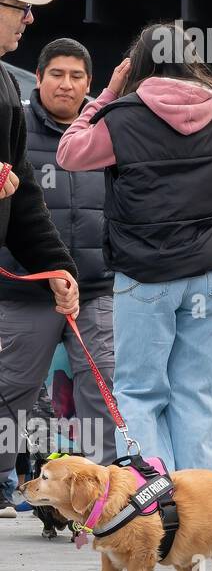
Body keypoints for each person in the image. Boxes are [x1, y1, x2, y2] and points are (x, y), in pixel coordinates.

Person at [57, 21, 212, 472]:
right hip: (211, 276)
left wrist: (105, 96)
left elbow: (69, 153)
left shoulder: (122, 116)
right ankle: (198, 511)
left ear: (137, 64)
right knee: (202, 395)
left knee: (141, 391)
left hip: (144, 275)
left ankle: (154, 502)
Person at [0, 39, 117, 499]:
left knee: (102, 385)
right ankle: (3, 482)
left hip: (95, 286)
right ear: (39, 77)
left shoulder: (104, 130)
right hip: (24, 290)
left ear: (90, 84)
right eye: (56, 74)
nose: (66, 84)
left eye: (76, 76)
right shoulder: (15, 126)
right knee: (12, 389)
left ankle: (103, 490)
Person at [0, 0, 80, 515]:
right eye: (20, 7)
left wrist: (55, 265)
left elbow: (25, 191)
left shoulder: (7, 84)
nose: (29, 19)